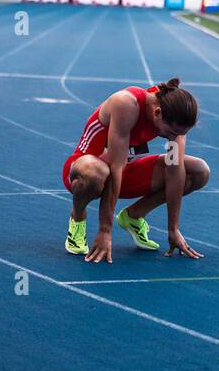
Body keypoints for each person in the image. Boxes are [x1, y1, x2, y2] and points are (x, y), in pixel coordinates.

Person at [63, 79, 208, 262]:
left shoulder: (174, 117)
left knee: (198, 171)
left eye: (179, 135)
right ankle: (77, 217)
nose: (174, 138)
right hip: (85, 171)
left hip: (123, 173)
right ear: (157, 113)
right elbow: (116, 167)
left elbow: (174, 168)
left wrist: (173, 229)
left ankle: (134, 216)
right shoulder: (126, 104)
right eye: (171, 133)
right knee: (97, 171)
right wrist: (105, 231)